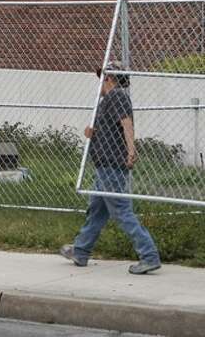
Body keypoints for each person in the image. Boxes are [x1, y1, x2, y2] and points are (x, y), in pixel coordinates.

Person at [60, 63, 161, 274]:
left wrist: (131, 150)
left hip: (111, 165)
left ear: (109, 79)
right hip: (103, 165)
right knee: (97, 210)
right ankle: (81, 251)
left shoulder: (117, 97)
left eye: (102, 78)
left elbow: (127, 124)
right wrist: (92, 132)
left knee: (122, 211)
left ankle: (149, 255)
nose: (100, 82)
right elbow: (109, 130)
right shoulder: (108, 101)